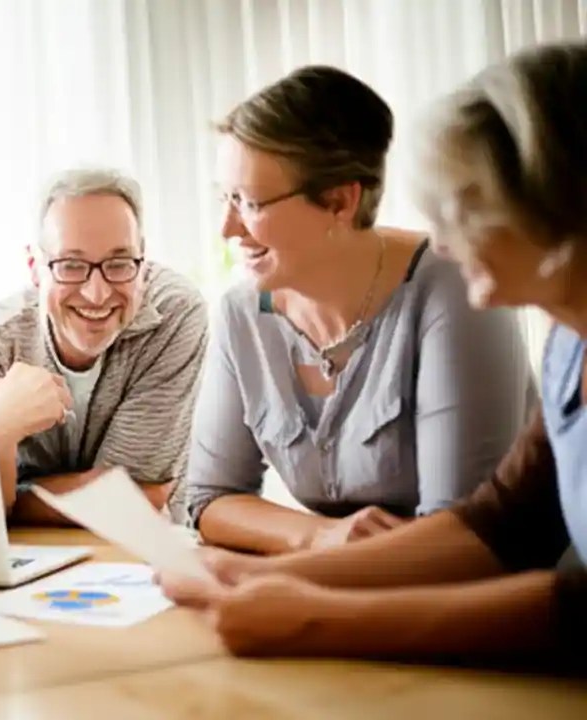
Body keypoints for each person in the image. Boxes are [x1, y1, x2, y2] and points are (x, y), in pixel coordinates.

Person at [161, 41, 587, 668]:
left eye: (469, 206)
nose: (439, 235)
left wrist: (319, 615)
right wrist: (257, 577)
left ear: (563, 206)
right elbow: (496, 527)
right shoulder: (569, 347)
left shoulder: (450, 293)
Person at [184, 65, 534, 554]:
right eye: (225, 198)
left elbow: (457, 533)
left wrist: (290, 577)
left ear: (339, 201)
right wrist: (321, 535)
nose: (227, 228)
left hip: (490, 604)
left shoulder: (455, 289)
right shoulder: (242, 312)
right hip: (353, 584)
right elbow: (209, 498)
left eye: (248, 202)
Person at [0, 168, 207, 524]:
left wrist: (13, 494)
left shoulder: (174, 312)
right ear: (35, 267)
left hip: (143, 554)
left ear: (143, 260)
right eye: (70, 265)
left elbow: (137, 496)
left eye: (119, 264)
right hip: (19, 562)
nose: (97, 293)